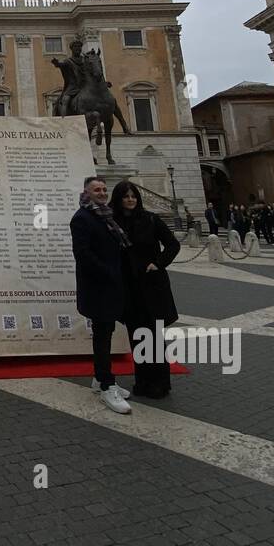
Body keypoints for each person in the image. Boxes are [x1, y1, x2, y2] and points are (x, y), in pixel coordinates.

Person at [111, 180, 181, 399]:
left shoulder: (151, 219)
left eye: (133, 196)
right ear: (119, 198)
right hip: (129, 286)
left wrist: (158, 263)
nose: (130, 199)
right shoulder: (113, 222)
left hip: (151, 285)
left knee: (153, 336)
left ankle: (160, 383)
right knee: (136, 336)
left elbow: (173, 244)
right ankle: (142, 381)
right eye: (126, 196)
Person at [70, 177, 131, 414]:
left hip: (110, 284)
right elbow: (83, 255)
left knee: (105, 332)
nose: (103, 192)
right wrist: (109, 273)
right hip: (98, 287)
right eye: (97, 189)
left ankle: (99, 377)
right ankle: (107, 385)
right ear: (86, 192)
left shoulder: (106, 215)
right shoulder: (82, 218)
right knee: (103, 336)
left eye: (105, 189)